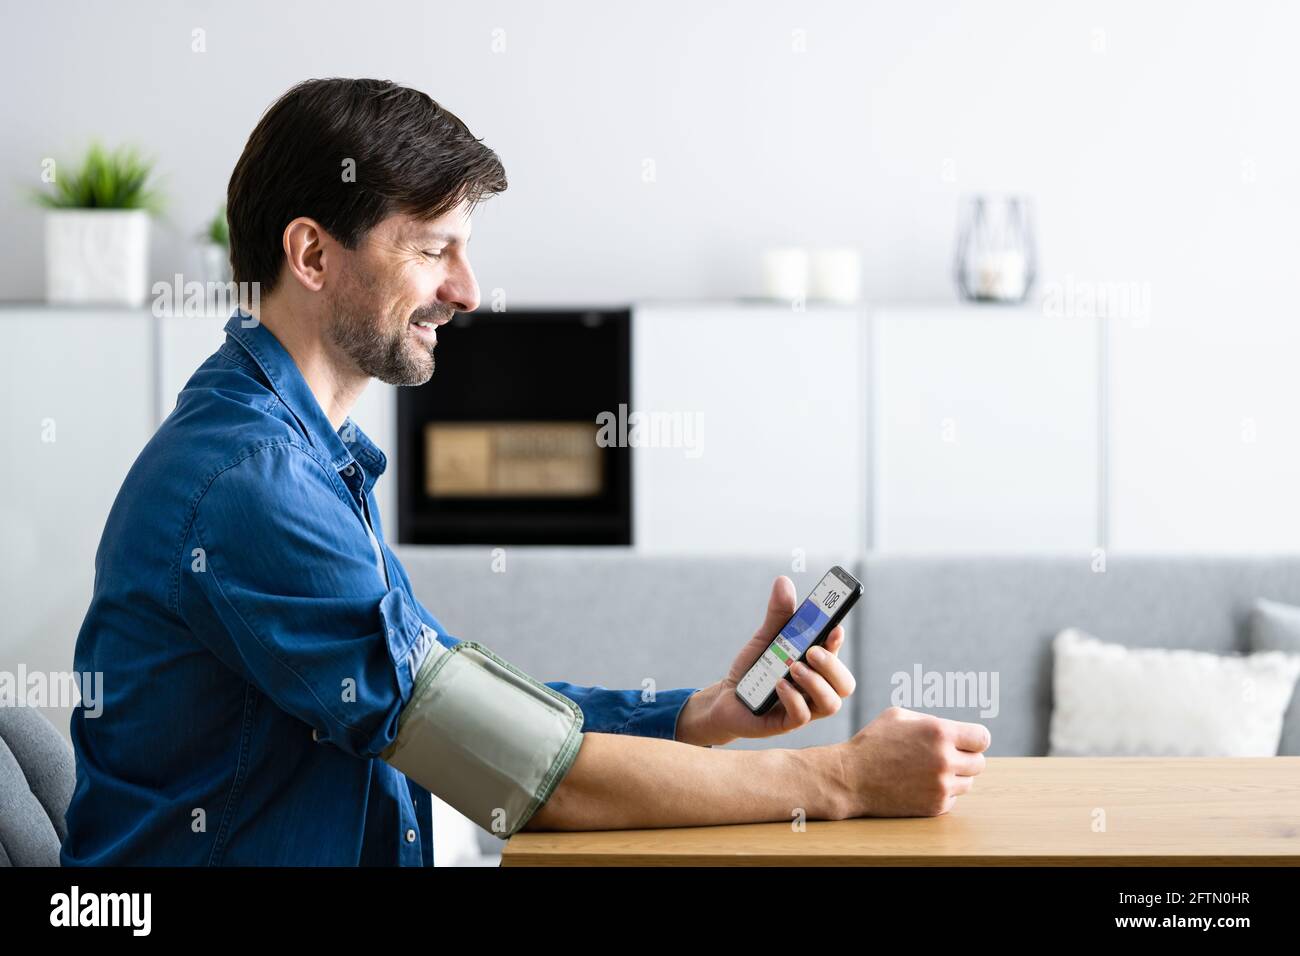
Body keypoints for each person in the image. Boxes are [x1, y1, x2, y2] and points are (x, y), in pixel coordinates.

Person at [61, 78, 989, 866]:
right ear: (311, 254)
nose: (467, 290)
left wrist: (700, 715)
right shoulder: (252, 482)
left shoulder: (295, 454)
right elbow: (518, 779)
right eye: (432, 250)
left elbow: (467, 711)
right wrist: (839, 781)